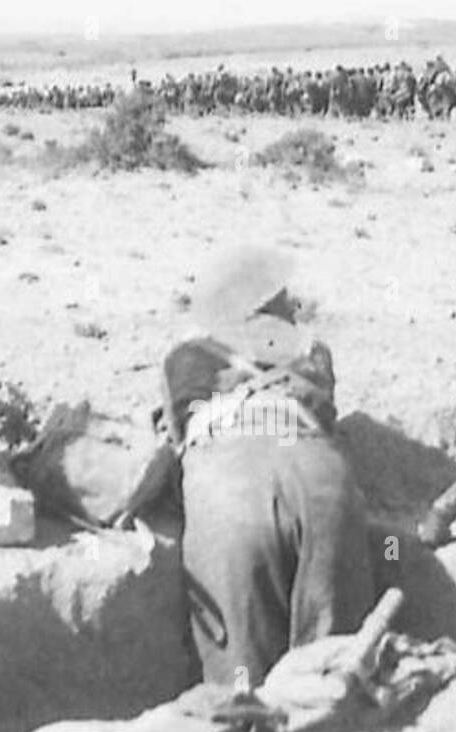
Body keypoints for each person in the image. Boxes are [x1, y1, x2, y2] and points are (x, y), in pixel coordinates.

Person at [159, 247, 376, 689]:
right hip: (321, 478)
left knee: (238, 683)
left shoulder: (183, 357)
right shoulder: (313, 350)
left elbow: (174, 432)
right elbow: (325, 410)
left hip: (231, 490)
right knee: (333, 680)